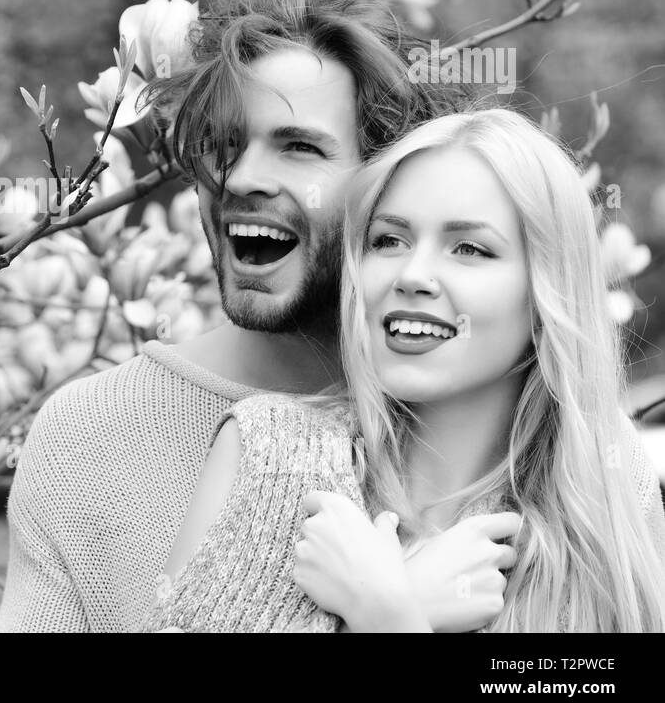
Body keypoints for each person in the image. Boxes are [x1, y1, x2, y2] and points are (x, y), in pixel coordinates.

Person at [0, 0, 486, 632]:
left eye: (299, 148)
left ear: (385, 183)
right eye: (224, 143)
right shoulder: (86, 438)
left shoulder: (491, 430)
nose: (242, 177)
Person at [146, 109, 665, 632]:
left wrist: (389, 617)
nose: (412, 275)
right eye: (389, 241)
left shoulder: (601, 527)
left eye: (469, 248)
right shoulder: (266, 453)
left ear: (545, 298)